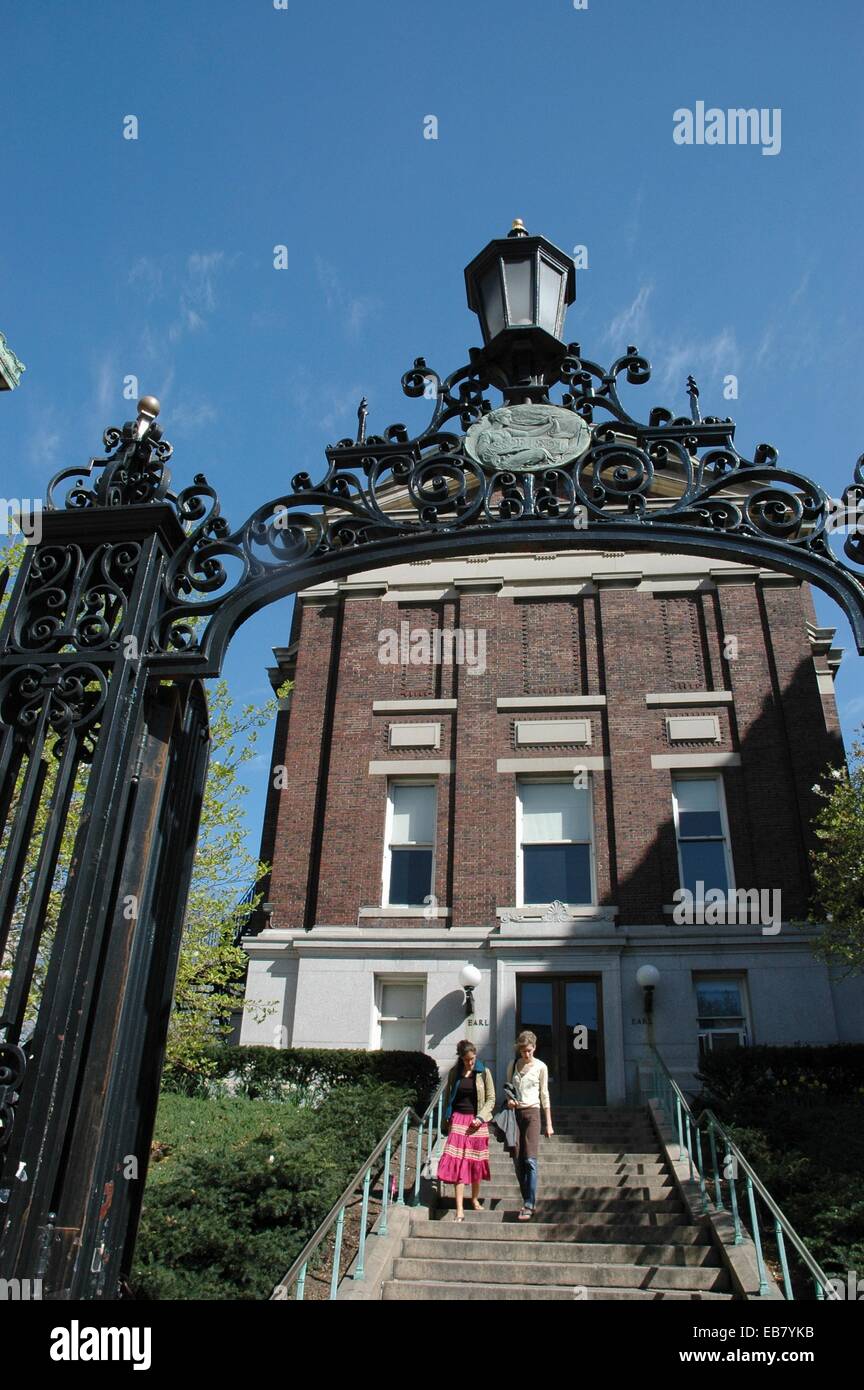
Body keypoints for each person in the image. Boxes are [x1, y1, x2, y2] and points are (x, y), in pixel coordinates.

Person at [437, 1039, 495, 1221]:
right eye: (467, 1059)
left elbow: (491, 1098)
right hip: (458, 1120)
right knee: (458, 1163)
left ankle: (475, 1199)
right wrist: (447, 1118)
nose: (471, 1062)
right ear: (461, 1058)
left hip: (477, 1121)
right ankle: (459, 1209)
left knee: (475, 1162)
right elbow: (448, 1099)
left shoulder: (484, 1072)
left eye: (473, 1058)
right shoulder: (455, 1073)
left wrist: (480, 1117)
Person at [506, 1030, 554, 1220]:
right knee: (518, 1161)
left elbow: (545, 1095)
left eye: (529, 1051)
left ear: (534, 1048)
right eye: (523, 1051)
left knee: (530, 1160)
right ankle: (526, 1197)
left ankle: (529, 1203)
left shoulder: (541, 1067)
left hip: (533, 1113)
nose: (526, 1054)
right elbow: (508, 1088)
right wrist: (509, 1100)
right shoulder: (513, 1065)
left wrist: (548, 1123)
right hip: (515, 1115)